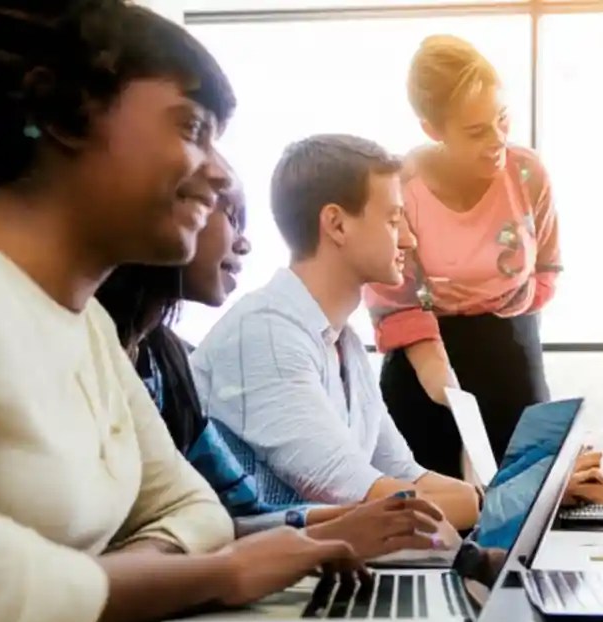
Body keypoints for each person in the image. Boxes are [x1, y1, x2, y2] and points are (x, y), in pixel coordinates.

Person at [0, 2, 437, 622]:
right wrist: (215, 573)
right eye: (193, 127)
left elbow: (197, 509)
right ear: (62, 115)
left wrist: (149, 569)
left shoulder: (86, 327)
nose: (223, 171)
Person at [95, 158, 446, 557]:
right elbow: (207, 521)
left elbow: (226, 509)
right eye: (228, 215)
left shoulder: (163, 355)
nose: (244, 244)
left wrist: (328, 528)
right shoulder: (262, 331)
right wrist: (324, 534)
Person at [191, 133, 480, 531]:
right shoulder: (267, 334)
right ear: (337, 224)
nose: (409, 239)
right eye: (394, 220)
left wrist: (493, 497)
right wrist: (478, 502)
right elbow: (384, 507)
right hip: (263, 582)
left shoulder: (344, 344)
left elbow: (409, 476)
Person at [366, 34, 562, 480]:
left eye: (502, 120)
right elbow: (395, 301)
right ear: (433, 130)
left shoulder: (528, 172)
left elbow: (548, 265)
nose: (497, 141)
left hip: (510, 344)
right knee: (428, 512)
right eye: (476, 131)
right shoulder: (400, 187)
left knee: (526, 489)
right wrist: (446, 384)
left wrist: (510, 309)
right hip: (421, 352)